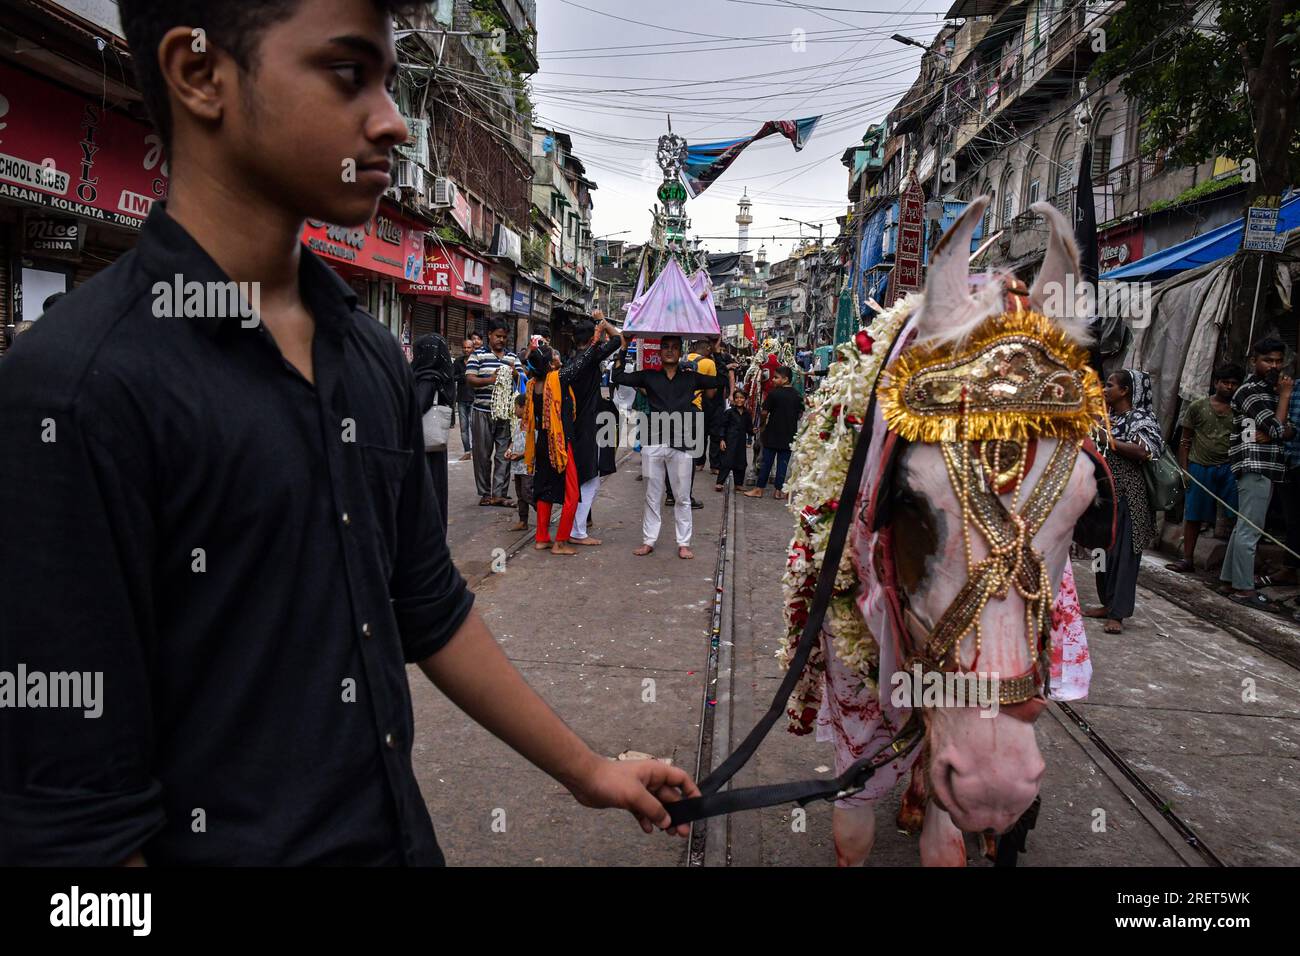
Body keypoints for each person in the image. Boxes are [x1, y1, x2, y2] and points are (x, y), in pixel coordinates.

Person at [0, 0, 697, 865]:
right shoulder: (75, 392)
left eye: (389, 81)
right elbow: (78, 833)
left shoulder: (368, 355)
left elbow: (428, 607)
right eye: (345, 74)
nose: (393, 123)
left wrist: (587, 770)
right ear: (200, 73)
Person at [613, 334, 733, 559]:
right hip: (653, 442)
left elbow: (720, 382)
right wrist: (623, 346)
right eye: (666, 347)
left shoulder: (691, 379)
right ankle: (649, 540)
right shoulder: (649, 377)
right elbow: (618, 376)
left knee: (682, 496)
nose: (669, 351)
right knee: (652, 494)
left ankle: (683, 543)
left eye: (674, 347)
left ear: (680, 351)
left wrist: (717, 352)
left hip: (683, 443)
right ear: (660, 351)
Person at [1217, 338, 1294, 608]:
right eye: (1267, 360)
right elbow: (1276, 429)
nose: (1274, 365)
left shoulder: (1268, 390)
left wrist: (1279, 428)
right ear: (1254, 361)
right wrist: (1284, 399)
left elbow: (1288, 429)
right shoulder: (1251, 391)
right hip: (1255, 464)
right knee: (1251, 529)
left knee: (1243, 527)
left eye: (1277, 360)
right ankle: (1244, 589)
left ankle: (1228, 581)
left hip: (1265, 464)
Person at [1086, 369, 1164, 634]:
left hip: (1129, 497)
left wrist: (1108, 440)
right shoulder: (1106, 417)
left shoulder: (1141, 418)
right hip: (1104, 497)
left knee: (1123, 556)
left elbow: (1145, 450)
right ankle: (1106, 604)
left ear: (1125, 391)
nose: (1105, 389)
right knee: (1101, 552)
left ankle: (1118, 614)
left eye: (1110, 385)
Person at [523, 340, 608, 556]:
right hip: (558, 442)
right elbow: (582, 363)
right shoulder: (557, 379)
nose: (559, 358)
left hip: (542, 441)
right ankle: (560, 542)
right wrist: (595, 341)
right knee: (571, 493)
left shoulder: (534, 384)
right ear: (550, 365)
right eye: (555, 356)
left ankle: (542, 538)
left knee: (544, 490)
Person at [1166, 363, 1242, 573]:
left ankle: (1233, 566)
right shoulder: (1198, 406)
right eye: (1225, 382)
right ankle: (1187, 559)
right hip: (1200, 466)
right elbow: (1185, 440)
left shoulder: (1240, 410)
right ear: (1216, 383)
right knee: (1193, 516)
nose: (1229, 387)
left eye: (1234, 384)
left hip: (1229, 467)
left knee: (1236, 515)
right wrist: (1185, 470)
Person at [566, 312, 622, 546]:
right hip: (590, 425)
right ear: (592, 339)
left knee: (576, 478)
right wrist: (604, 323)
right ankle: (577, 531)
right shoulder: (593, 356)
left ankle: (572, 526)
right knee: (590, 479)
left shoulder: (570, 361)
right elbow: (619, 339)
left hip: (572, 424)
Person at [465, 317, 520, 507]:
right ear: (489, 335)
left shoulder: (512, 357)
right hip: (481, 411)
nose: (501, 340)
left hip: (505, 413)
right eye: (498, 336)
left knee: (504, 454)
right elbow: (470, 379)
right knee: (482, 454)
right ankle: (485, 493)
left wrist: (514, 374)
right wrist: (490, 379)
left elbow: (523, 378)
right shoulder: (477, 355)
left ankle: (499, 494)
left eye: (504, 337)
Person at [411, 333, 456, 530]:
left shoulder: (427, 379)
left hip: (423, 444)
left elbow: (415, 410)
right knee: (436, 488)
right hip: (435, 443)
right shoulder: (443, 377)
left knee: (424, 490)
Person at [744, 365, 801, 501]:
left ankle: (759, 489)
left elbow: (764, 412)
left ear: (785, 379)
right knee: (783, 464)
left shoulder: (774, 393)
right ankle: (778, 491)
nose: (773, 380)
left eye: (776, 377)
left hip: (772, 432)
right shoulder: (797, 395)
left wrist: (762, 424)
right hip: (789, 434)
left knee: (766, 462)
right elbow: (800, 413)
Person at [714, 386, 752, 492]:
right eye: (737, 398)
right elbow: (723, 426)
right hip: (730, 441)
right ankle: (720, 482)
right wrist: (722, 439)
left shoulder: (747, 413)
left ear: (745, 399)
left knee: (741, 462)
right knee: (727, 462)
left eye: (741, 398)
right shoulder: (729, 412)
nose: (739, 400)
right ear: (734, 400)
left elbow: (749, 428)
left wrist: (753, 431)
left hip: (741, 442)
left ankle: (738, 484)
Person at [504, 393, 532, 532]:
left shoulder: (533, 424)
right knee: (520, 495)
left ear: (523, 407)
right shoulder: (518, 424)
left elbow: (534, 447)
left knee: (527, 493)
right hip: (517, 467)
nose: (514, 410)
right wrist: (509, 450)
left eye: (515, 407)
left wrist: (521, 455)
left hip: (528, 466)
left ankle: (543, 512)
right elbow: (514, 441)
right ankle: (523, 521)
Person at [452, 336, 475, 461]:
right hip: (461, 399)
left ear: (473, 348)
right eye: (465, 347)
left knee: (474, 426)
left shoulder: (477, 361)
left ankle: (475, 450)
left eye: (469, 347)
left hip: (474, 399)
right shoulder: (458, 362)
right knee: (463, 427)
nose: (466, 349)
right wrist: (464, 376)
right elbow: (452, 377)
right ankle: (467, 451)